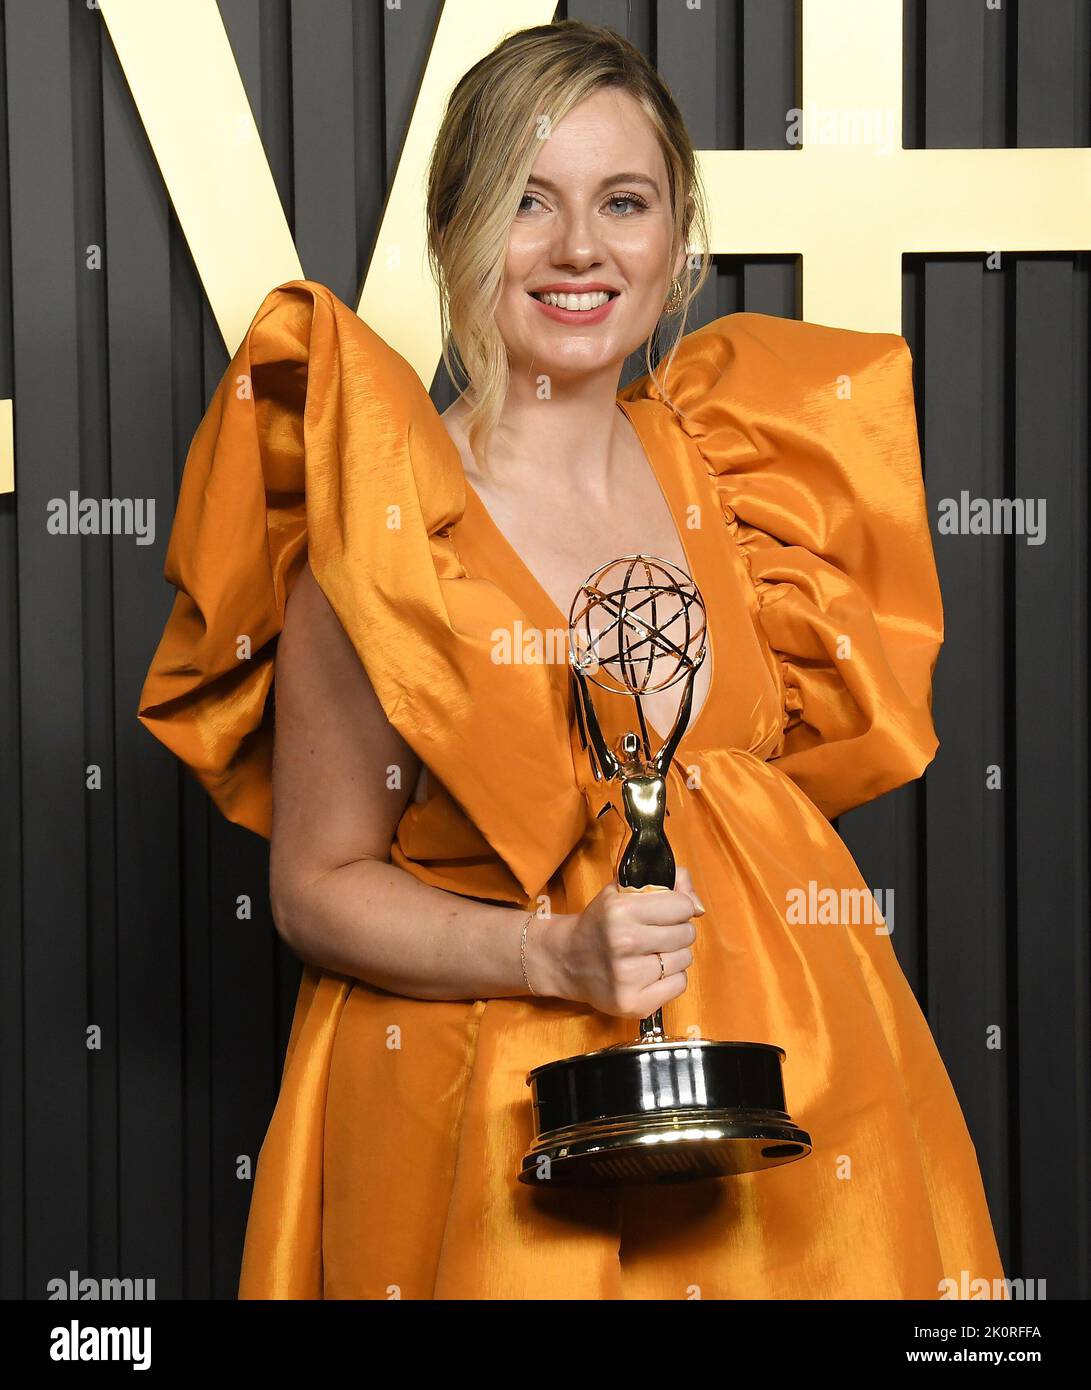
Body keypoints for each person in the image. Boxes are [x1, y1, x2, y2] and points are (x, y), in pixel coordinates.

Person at [138, 20, 1006, 1299]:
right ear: (455, 234)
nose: (578, 250)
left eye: (623, 201)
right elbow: (316, 885)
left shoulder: (737, 478)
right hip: (494, 1132)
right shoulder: (389, 534)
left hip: (800, 1098)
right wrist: (551, 954)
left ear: (676, 236)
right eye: (526, 203)